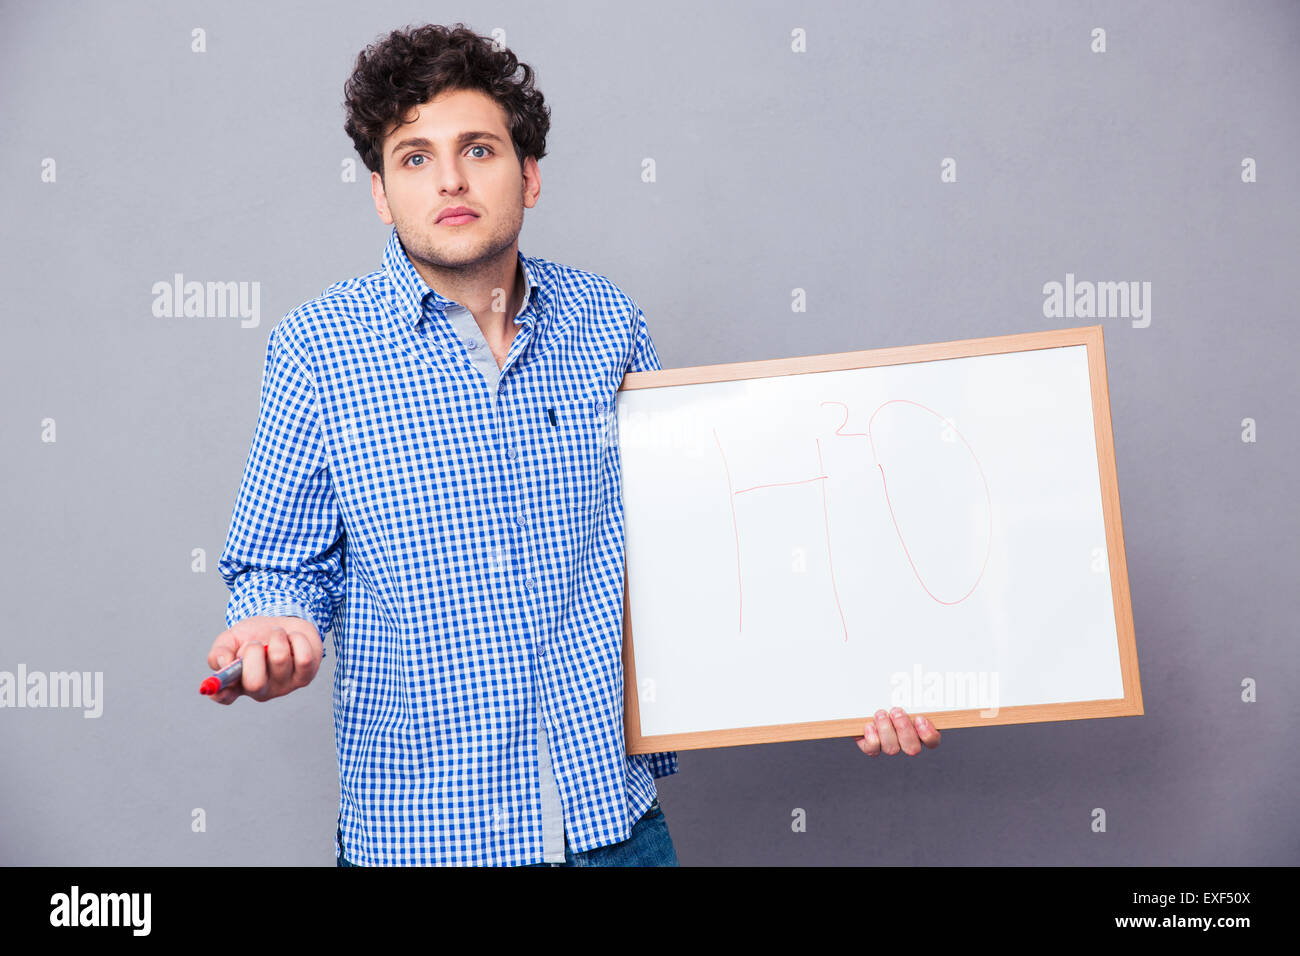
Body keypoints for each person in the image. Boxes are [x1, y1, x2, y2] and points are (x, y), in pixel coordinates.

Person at [206, 22, 939, 868]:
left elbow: (697, 543)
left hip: (613, 827)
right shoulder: (316, 349)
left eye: (479, 149)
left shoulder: (608, 323)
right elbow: (280, 565)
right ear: (380, 193)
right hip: (421, 838)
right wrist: (272, 625)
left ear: (530, 174)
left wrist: (857, 671)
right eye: (414, 157)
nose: (449, 177)